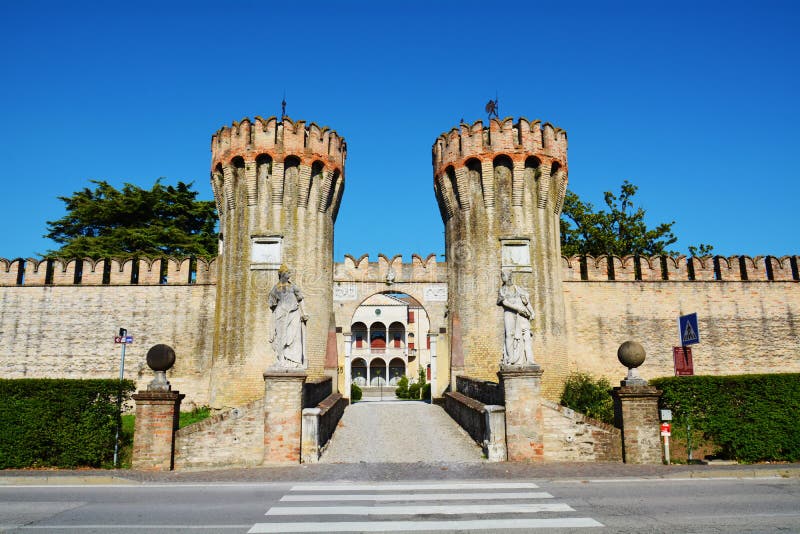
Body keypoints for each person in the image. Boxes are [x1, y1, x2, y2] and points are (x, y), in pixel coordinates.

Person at [268, 264, 307, 368]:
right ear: (283, 274)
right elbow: (272, 304)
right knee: (281, 337)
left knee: (295, 337)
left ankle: (295, 361)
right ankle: (281, 360)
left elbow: (301, 299)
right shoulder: (275, 289)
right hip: (281, 315)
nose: (290, 275)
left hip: (294, 313)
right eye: (288, 273)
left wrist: (304, 313)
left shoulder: (293, 286)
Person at [497, 269, 535, 366]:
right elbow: (504, 302)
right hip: (509, 313)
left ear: (509, 276)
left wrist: (532, 312)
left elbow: (526, 301)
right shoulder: (502, 289)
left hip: (519, 316)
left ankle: (519, 358)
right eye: (501, 275)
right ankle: (510, 358)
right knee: (509, 334)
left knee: (518, 336)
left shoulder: (517, 288)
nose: (502, 277)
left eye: (503, 275)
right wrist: (517, 308)